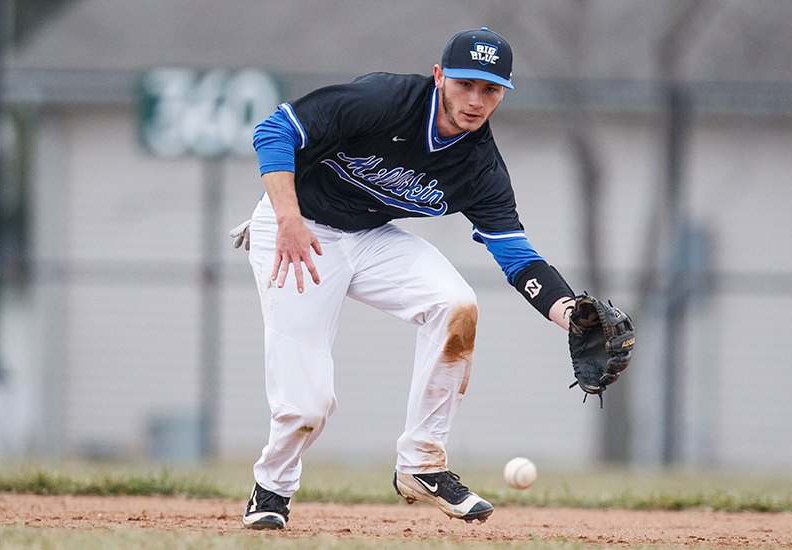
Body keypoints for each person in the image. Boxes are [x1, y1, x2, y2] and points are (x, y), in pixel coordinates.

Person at [231, 27, 580, 530]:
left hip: (371, 236)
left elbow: (517, 256)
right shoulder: (385, 100)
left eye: (491, 89)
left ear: (503, 93)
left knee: (455, 303)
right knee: (309, 403)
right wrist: (287, 218)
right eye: (465, 84)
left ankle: (421, 464)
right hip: (295, 228)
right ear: (439, 76)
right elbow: (274, 130)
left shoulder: (480, 167)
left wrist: (572, 316)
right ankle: (272, 489)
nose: (476, 100)